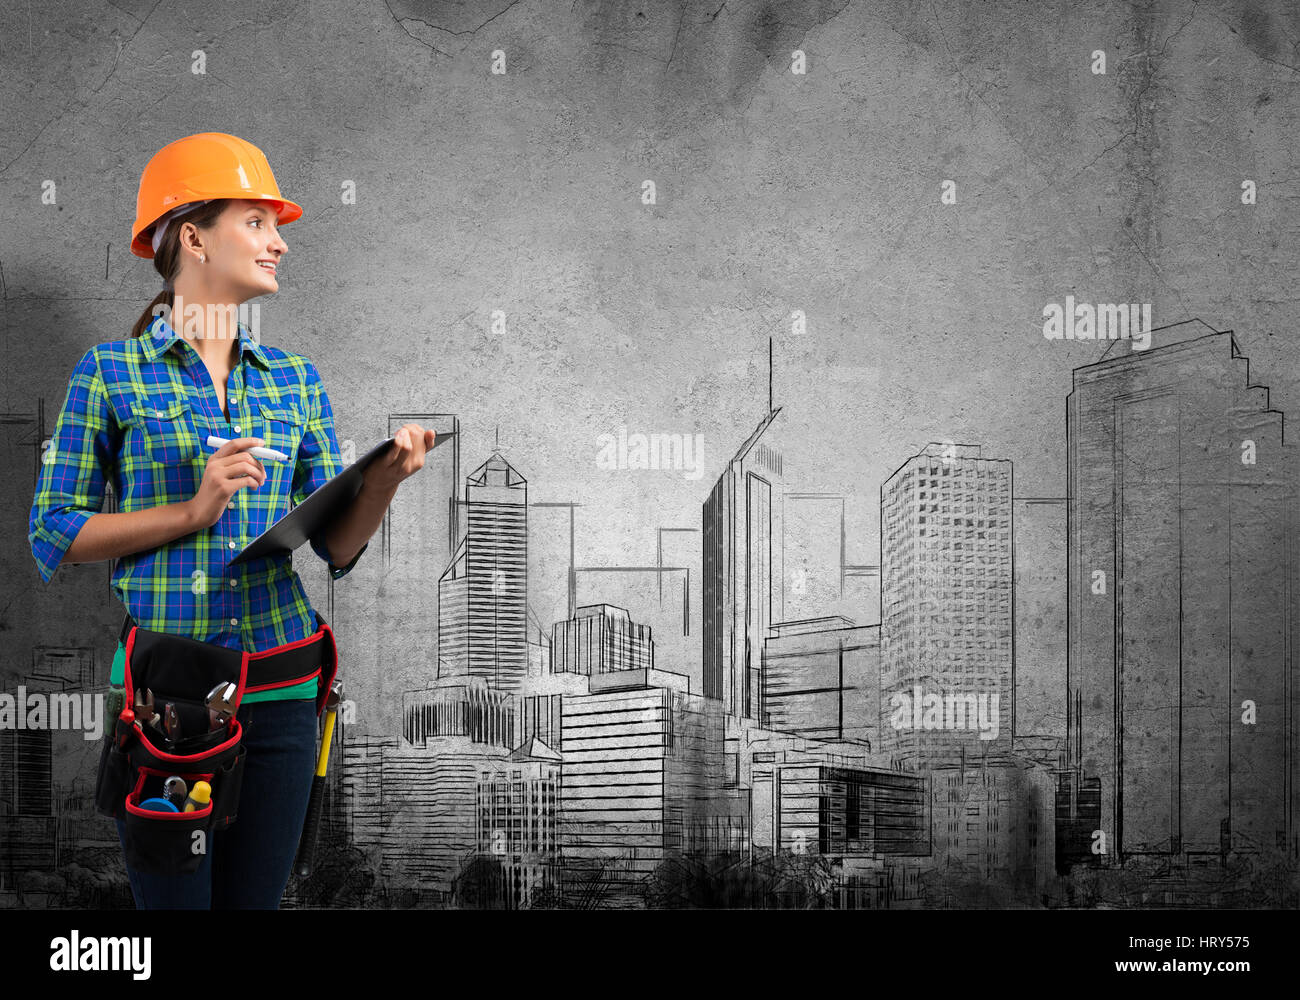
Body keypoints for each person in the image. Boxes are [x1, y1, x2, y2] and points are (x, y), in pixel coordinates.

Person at [28, 132, 434, 909]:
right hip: (170, 702)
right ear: (192, 235)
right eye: (256, 222)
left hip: (285, 691)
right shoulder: (110, 373)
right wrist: (194, 508)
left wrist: (381, 483)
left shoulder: (294, 380)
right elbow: (55, 531)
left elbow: (335, 546)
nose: (278, 243)